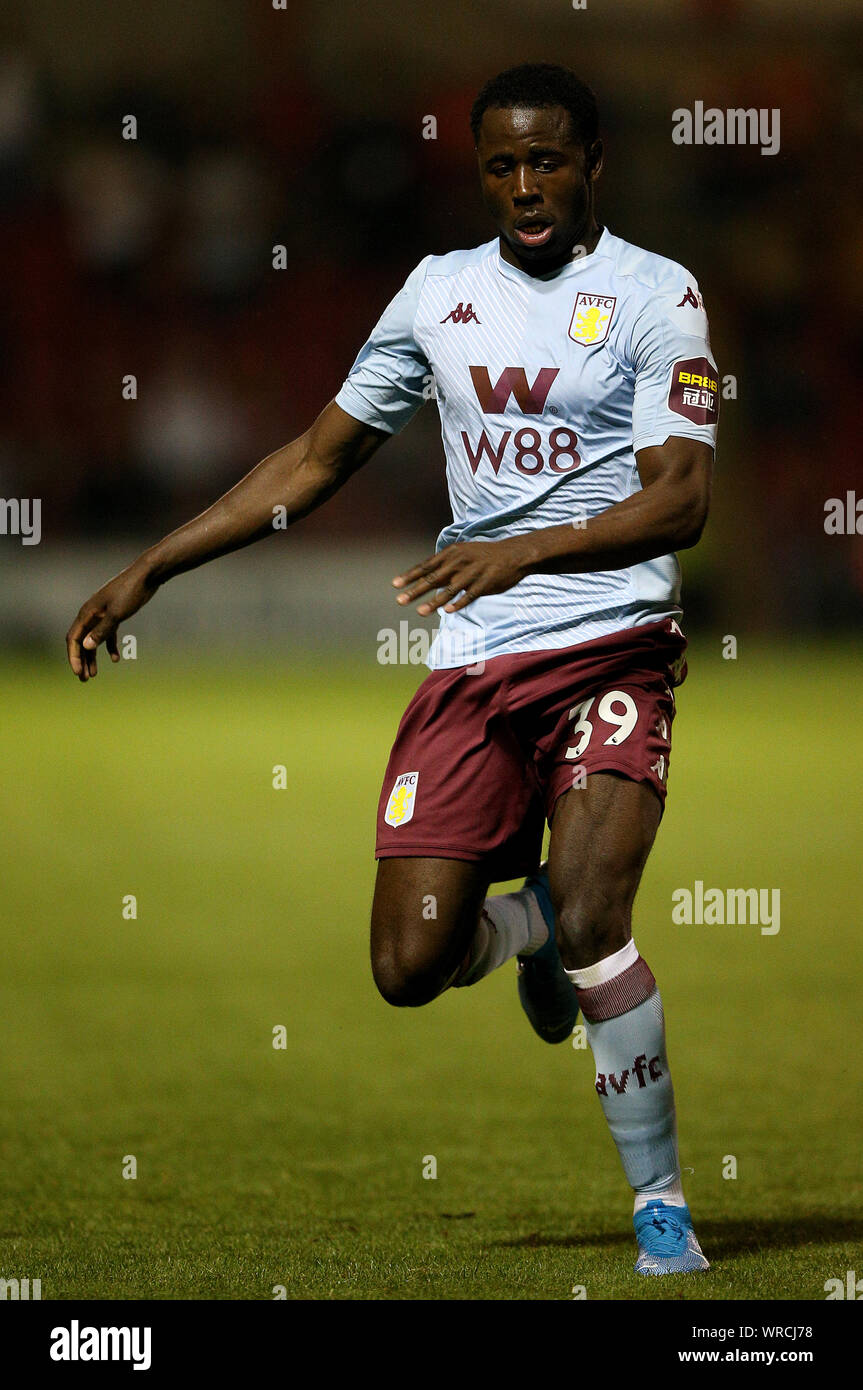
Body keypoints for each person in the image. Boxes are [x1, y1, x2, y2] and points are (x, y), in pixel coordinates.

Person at [67, 62, 718, 1277]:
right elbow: (313, 460)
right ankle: (516, 930)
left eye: (548, 160)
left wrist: (521, 550)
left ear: (593, 162)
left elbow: (678, 501)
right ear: (479, 170)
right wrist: (153, 565)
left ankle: (660, 1204)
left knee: (596, 921)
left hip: (609, 645)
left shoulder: (653, 295)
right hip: (474, 666)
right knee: (406, 967)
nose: (525, 186)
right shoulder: (437, 295)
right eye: (501, 164)